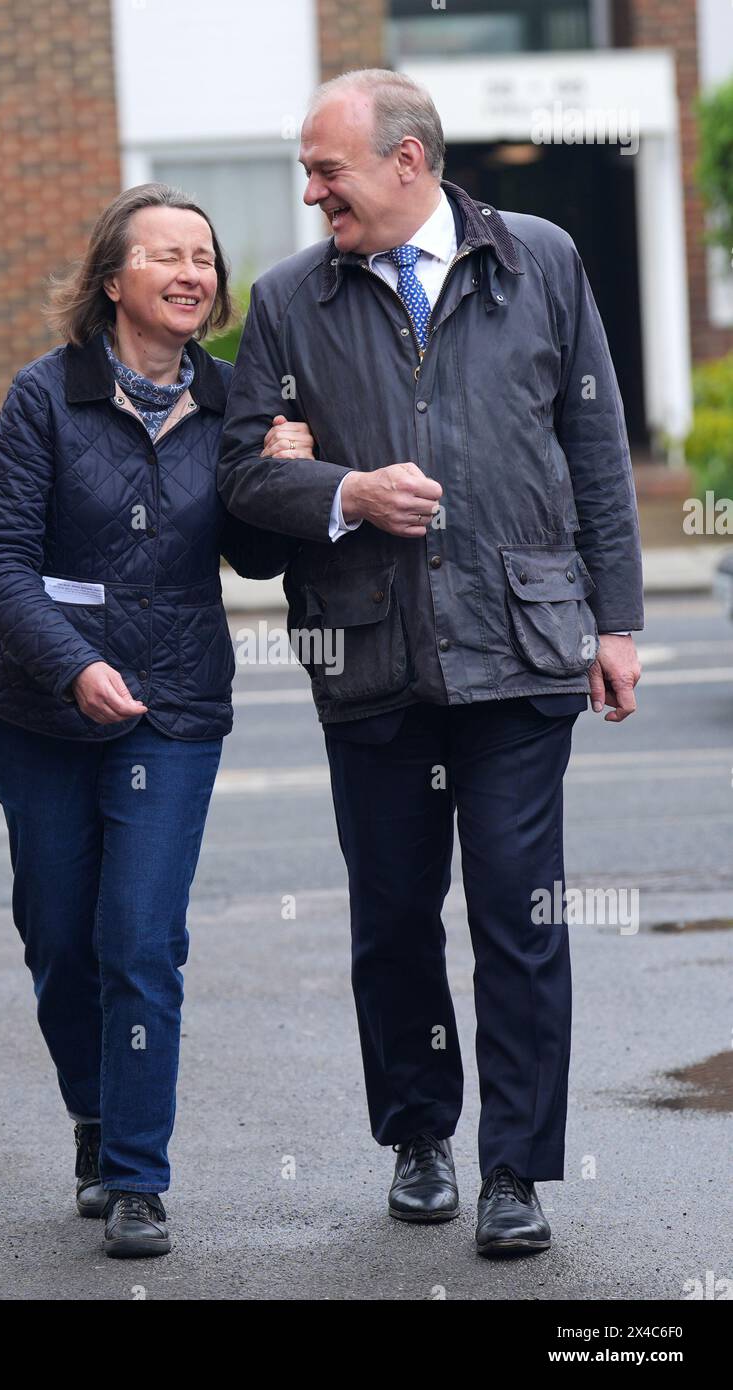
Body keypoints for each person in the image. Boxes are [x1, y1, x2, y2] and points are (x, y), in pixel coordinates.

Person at [218, 70, 643, 1257]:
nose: (312, 195)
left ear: (409, 162)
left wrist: (615, 622)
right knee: (395, 916)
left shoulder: (542, 257)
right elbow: (243, 484)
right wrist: (342, 490)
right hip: (370, 658)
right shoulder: (289, 298)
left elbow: (594, 441)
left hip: (521, 649)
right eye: (309, 174)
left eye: (326, 171)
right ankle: (420, 1137)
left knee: (520, 918)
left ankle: (516, 1169)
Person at [0, 183, 312, 1259]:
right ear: (112, 279)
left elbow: (252, 554)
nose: (192, 273)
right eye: (166, 254)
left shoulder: (230, 403)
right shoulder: (43, 398)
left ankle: (136, 1177)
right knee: (62, 939)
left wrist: (290, 485)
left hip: (175, 708)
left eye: (204, 258)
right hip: (41, 711)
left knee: (142, 938)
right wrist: (74, 669)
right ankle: (96, 1111)